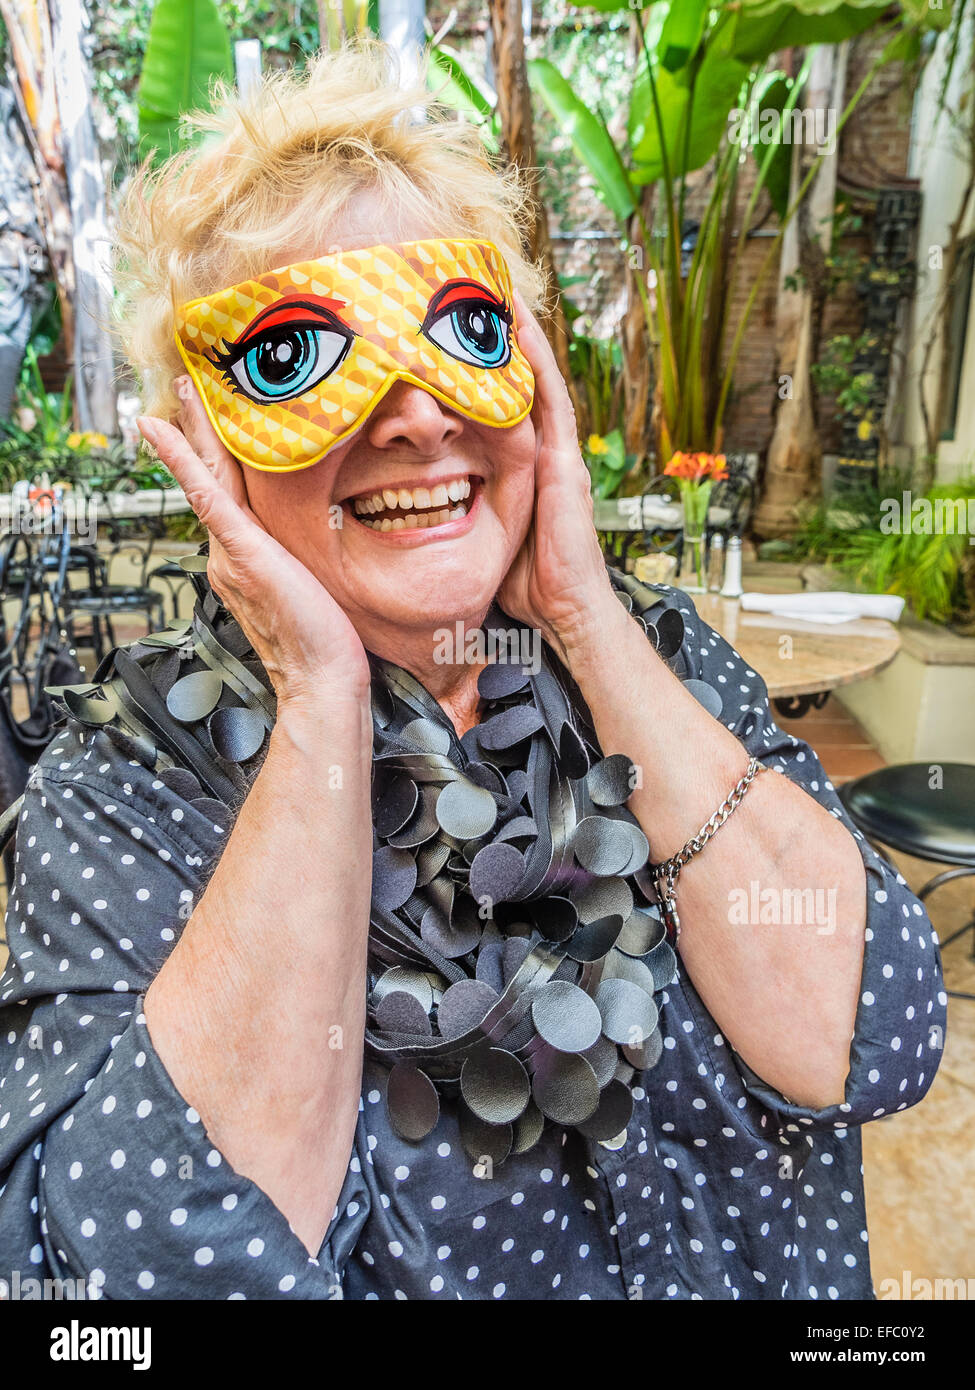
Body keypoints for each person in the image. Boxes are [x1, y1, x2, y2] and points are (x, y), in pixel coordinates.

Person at [0, 40, 946, 1301]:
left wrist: (584, 611)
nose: (417, 414)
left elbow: (875, 1037)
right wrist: (322, 703)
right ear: (205, 447)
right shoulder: (122, 787)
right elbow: (143, 1280)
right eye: (295, 358)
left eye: (464, 330)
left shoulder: (661, 659)